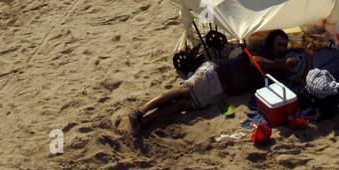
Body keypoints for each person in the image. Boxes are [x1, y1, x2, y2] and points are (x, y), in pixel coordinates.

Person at [130, 30, 307, 135]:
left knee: (183, 105)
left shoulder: (278, 68)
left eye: (284, 46)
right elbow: (255, 61)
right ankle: (141, 111)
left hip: (221, 91)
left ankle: (146, 122)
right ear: (271, 43)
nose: (282, 49)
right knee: (183, 91)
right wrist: (282, 64)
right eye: (279, 44)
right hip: (216, 73)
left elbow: (298, 80)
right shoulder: (259, 46)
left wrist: (310, 57)